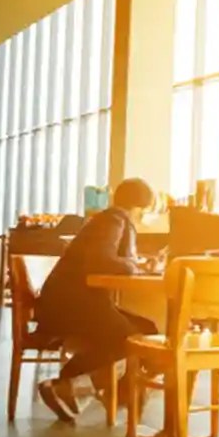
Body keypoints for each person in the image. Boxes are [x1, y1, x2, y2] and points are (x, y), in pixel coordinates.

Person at [35, 178, 159, 422]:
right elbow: (101, 260)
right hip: (71, 304)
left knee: (148, 330)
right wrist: (134, 266)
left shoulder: (109, 220)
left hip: (76, 301)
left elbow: (107, 258)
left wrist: (136, 263)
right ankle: (81, 388)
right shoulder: (114, 220)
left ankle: (77, 387)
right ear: (139, 207)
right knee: (130, 339)